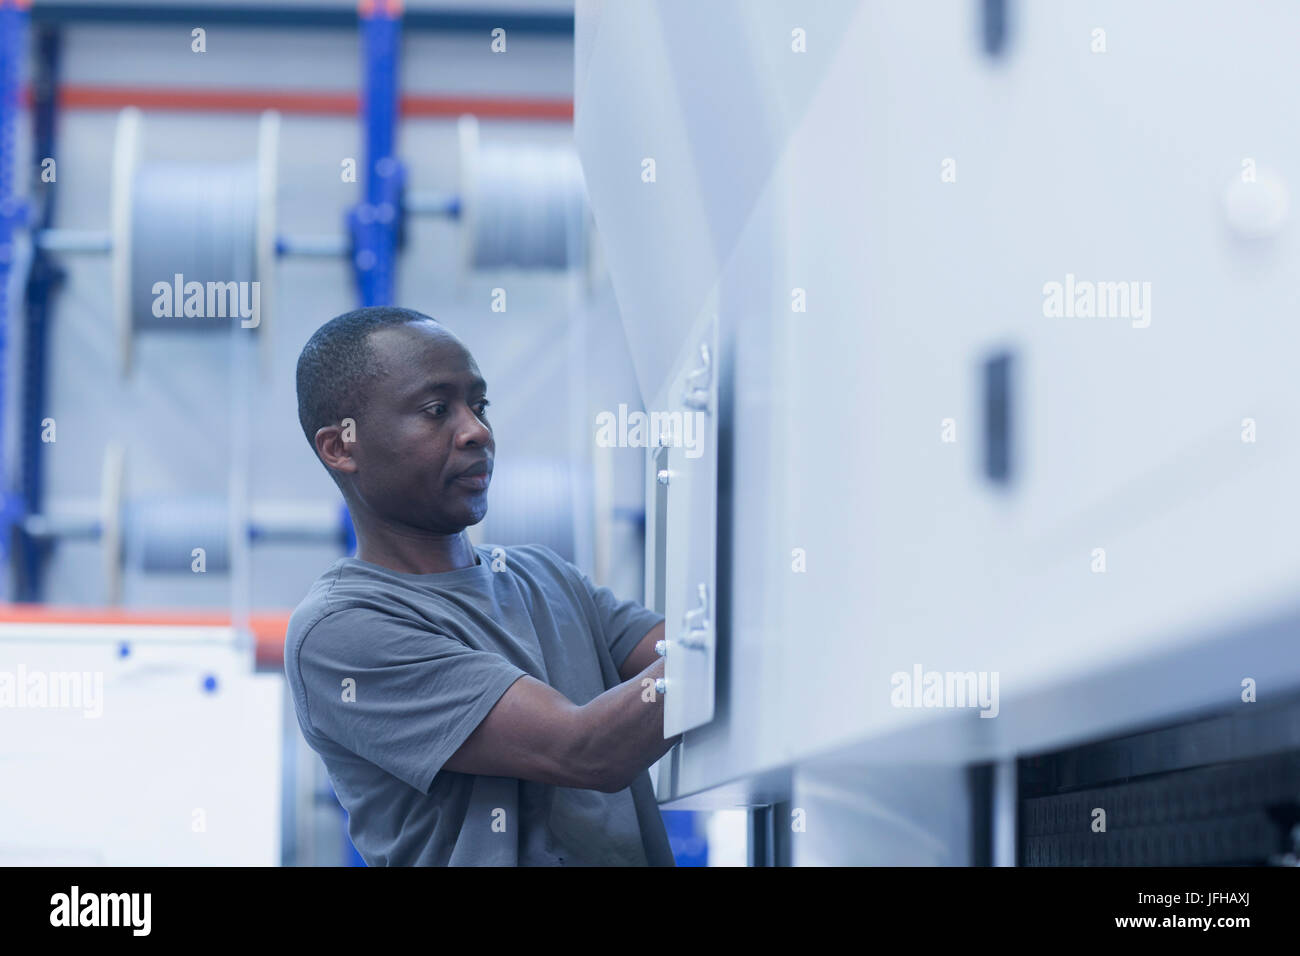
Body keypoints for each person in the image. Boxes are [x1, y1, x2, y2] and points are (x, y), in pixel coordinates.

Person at [285, 305, 679, 865]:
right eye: (436, 410)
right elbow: (586, 749)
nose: (476, 431)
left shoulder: (544, 576)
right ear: (341, 446)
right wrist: (729, 636)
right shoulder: (340, 631)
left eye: (479, 404)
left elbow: (672, 654)